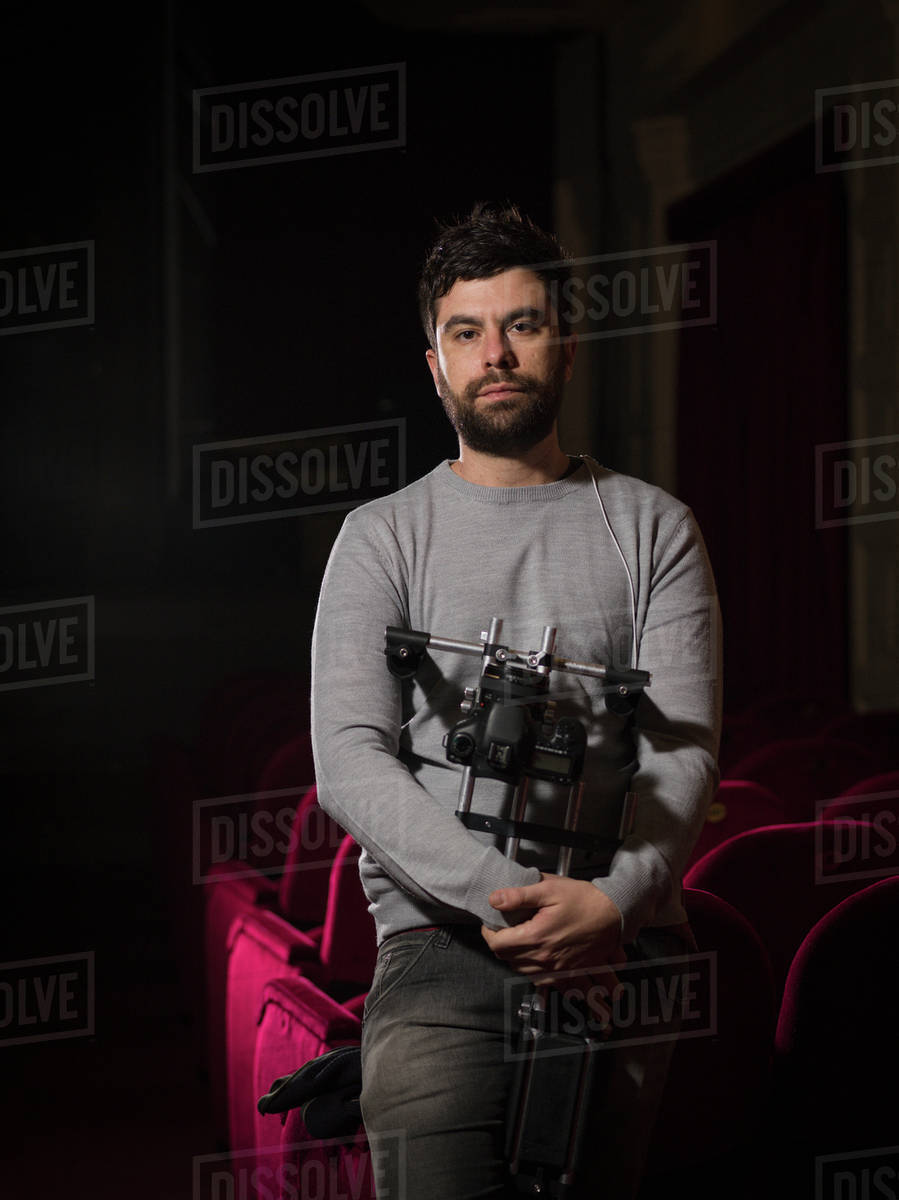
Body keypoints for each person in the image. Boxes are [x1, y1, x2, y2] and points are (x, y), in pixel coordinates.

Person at [310, 201, 721, 1198]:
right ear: (436, 365)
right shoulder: (380, 536)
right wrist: (511, 901)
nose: (495, 352)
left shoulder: (652, 527)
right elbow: (349, 761)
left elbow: (686, 753)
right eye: (467, 332)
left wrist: (608, 904)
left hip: (619, 942)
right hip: (438, 947)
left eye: (522, 325)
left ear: (565, 351)